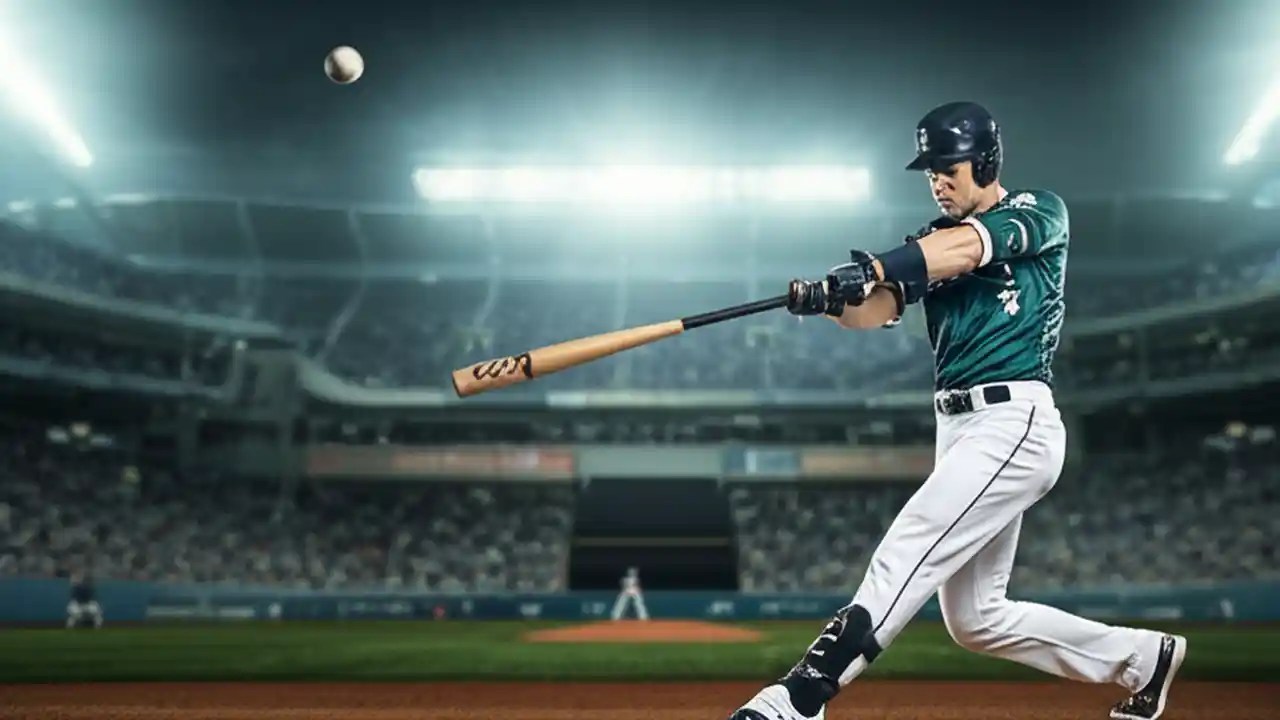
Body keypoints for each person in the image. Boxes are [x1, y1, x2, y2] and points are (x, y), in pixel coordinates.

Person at [727, 102, 1186, 720]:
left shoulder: (1038, 211)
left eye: (949, 165)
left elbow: (967, 252)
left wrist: (876, 266)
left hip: (1014, 421)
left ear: (986, 160)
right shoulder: (928, 241)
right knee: (976, 619)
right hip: (960, 427)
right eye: (930, 170)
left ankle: (799, 698)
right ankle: (1142, 658)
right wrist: (829, 300)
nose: (938, 179)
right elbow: (880, 307)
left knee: (907, 547)